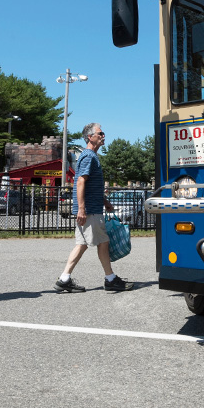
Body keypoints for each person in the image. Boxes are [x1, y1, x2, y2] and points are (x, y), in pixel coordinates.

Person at [55, 123, 134, 293]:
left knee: (82, 244)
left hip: (91, 208)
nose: (103, 136)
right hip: (90, 211)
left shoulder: (90, 156)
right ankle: (110, 279)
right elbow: (80, 182)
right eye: (100, 133)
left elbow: (91, 185)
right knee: (103, 242)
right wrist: (82, 209)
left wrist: (104, 201)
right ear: (90, 137)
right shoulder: (89, 157)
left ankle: (64, 279)